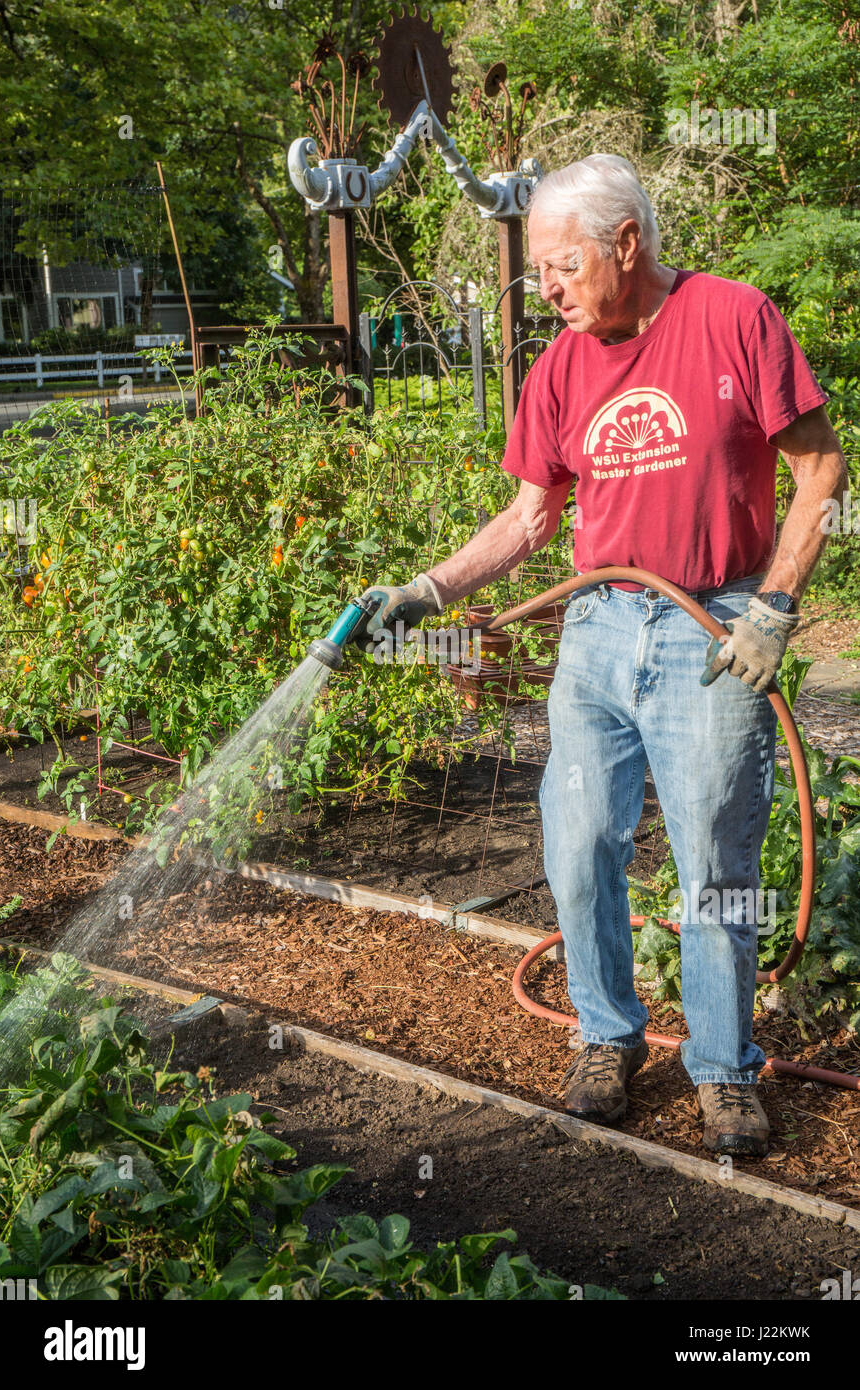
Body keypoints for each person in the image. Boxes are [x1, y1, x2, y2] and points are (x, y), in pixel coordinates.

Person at [361, 154, 847, 1156]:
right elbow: (531, 516)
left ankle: (719, 1065)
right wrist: (428, 591)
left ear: (626, 243)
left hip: (712, 630)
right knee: (577, 842)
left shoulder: (732, 319)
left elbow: (819, 468)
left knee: (713, 857)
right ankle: (604, 1035)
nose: (544, 285)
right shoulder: (560, 367)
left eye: (560, 263)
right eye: (536, 268)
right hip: (596, 629)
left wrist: (773, 608)